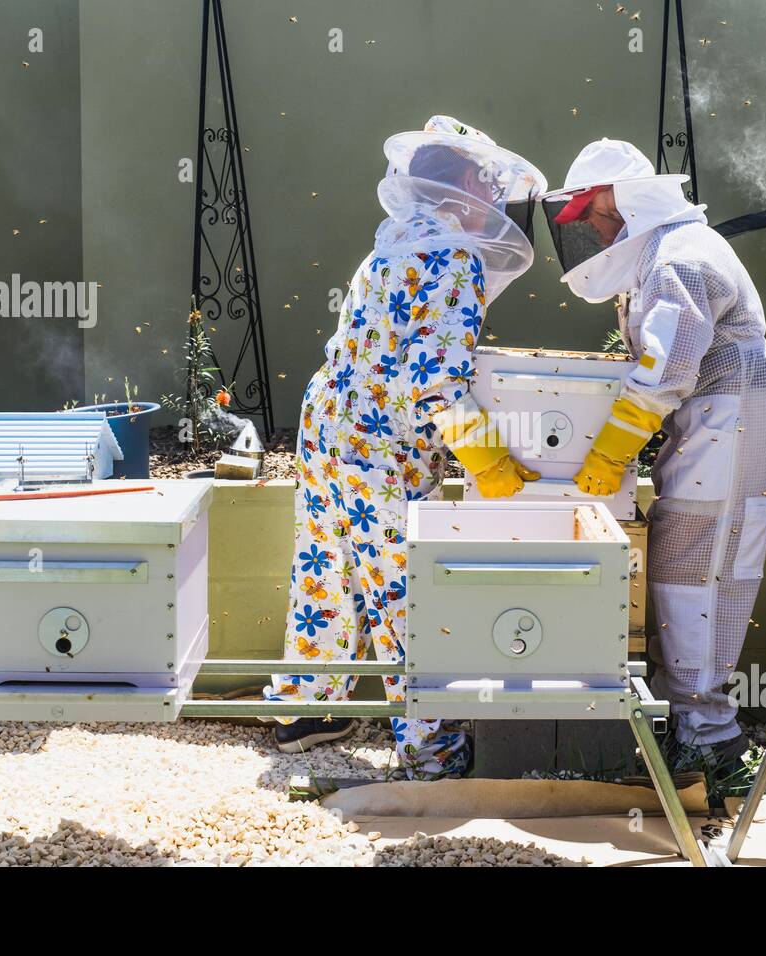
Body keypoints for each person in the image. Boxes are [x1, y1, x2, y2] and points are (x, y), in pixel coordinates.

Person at [265, 116, 546, 779]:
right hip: (382, 448)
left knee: (325, 565)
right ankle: (431, 751)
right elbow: (433, 380)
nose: (497, 192)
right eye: (487, 178)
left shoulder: (391, 245)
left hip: (328, 423)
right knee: (403, 590)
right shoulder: (454, 256)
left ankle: (306, 711)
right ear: (459, 188)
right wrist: (488, 460)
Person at [541, 139, 766, 775]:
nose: (593, 237)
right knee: (685, 554)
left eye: (590, 220)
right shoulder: (666, 251)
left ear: (619, 206)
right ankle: (694, 723)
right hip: (715, 417)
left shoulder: (681, 258)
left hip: (730, 418)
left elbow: (666, 368)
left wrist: (612, 450)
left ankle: (712, 740)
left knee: (703, 566)